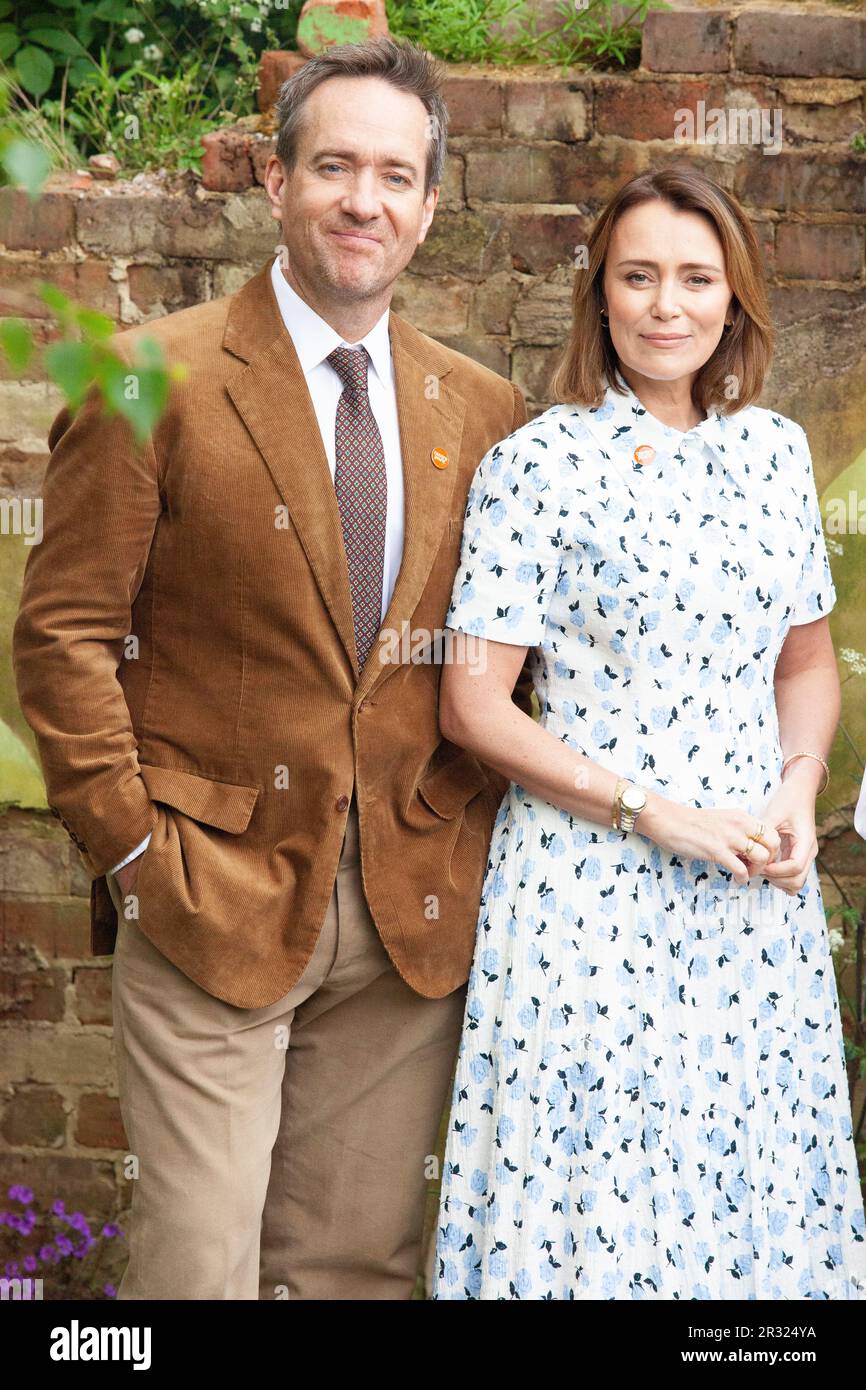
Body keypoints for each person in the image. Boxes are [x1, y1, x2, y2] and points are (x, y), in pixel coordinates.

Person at [12, 37, 533, 1300]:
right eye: (336, 166)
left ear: (425, 206)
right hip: (210, 891)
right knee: (196, 1270)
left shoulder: (483, 409)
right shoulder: (151, 378)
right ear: (277, 179)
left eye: (396, 176)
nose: (365, 199)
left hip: (406, 914)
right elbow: (63, 635)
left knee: (354, 1268)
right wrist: (135, 848)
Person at [431, 166, 866, 1300]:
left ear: (733, 298)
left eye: (692, 278)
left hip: (746, 889)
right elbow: (472, 704)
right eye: (637, 277)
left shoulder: (771, 452)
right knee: (596, 1201)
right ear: (600, 295)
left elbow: (805, 662)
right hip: (586, 889)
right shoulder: (535, 465)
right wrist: (647, 809)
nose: (664, 305)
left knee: (747, 1195)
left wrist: (797, 787)